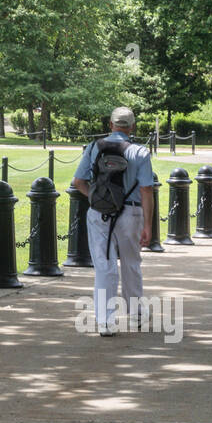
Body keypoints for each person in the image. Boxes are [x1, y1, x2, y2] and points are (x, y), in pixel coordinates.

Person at [72, 106, 154, 336]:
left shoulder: (94, 147)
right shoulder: (140, 152)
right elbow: (147, 189)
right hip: (131, 213)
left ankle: (105, 321)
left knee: (103, 266)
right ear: (133, 127)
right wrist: (148, 225)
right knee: (131, 264)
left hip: (100, 214)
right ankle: (136, 314)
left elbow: (79, 181)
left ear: (110, 125)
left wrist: (99, 200)